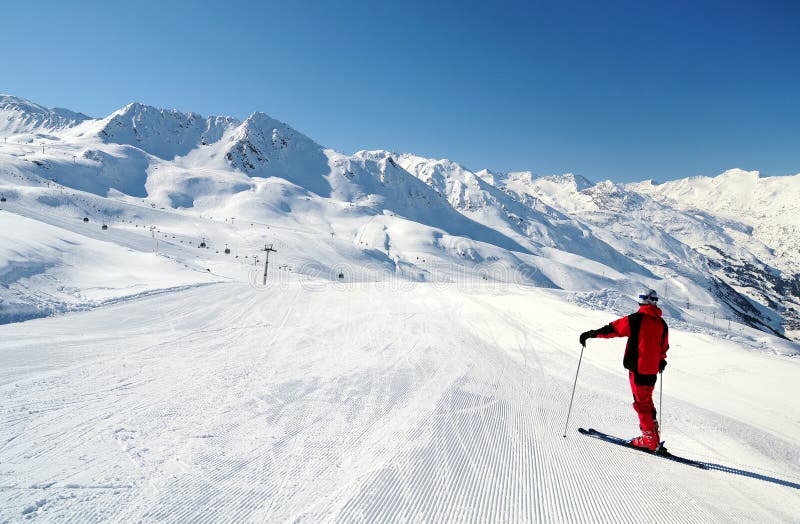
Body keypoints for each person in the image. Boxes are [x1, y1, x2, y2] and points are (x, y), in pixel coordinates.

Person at [579, 289, 669, 450]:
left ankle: (649, 440)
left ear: (641, 302)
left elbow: (612, 329)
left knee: (642, 404)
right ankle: (653, 437)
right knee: (647, 401)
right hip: (652, 371)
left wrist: (591, 334)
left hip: (637, 369)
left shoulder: (636, 319)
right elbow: (664, 346)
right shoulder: (661, 323)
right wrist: (661, 361)